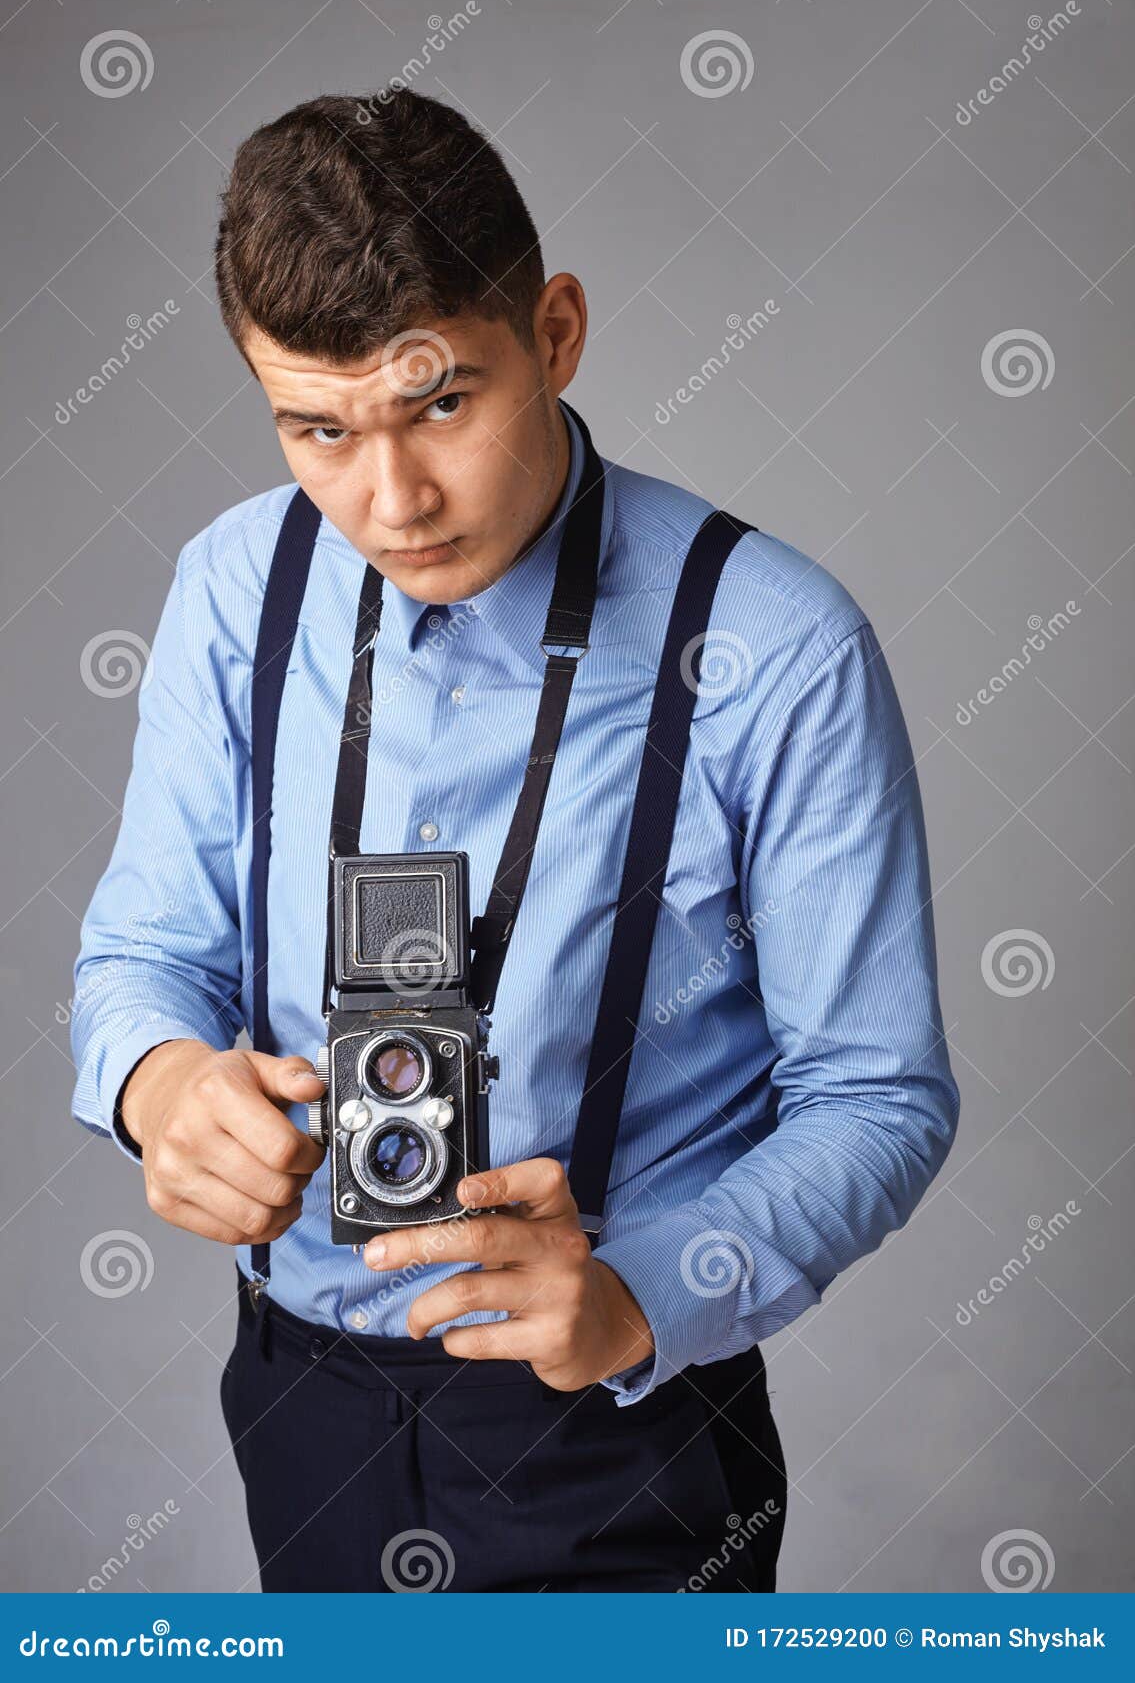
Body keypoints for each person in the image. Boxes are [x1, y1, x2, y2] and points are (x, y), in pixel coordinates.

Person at [69, 88, 960, 1594]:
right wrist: (159, 1081)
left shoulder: (777, 646)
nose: (391, 499)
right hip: (300, 1402)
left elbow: (878, 1094)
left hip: (621, 1425)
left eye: (441, 404)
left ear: (553, 333)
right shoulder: (234, 586)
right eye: (317, 429)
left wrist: (636, 1296)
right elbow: (145, 955)